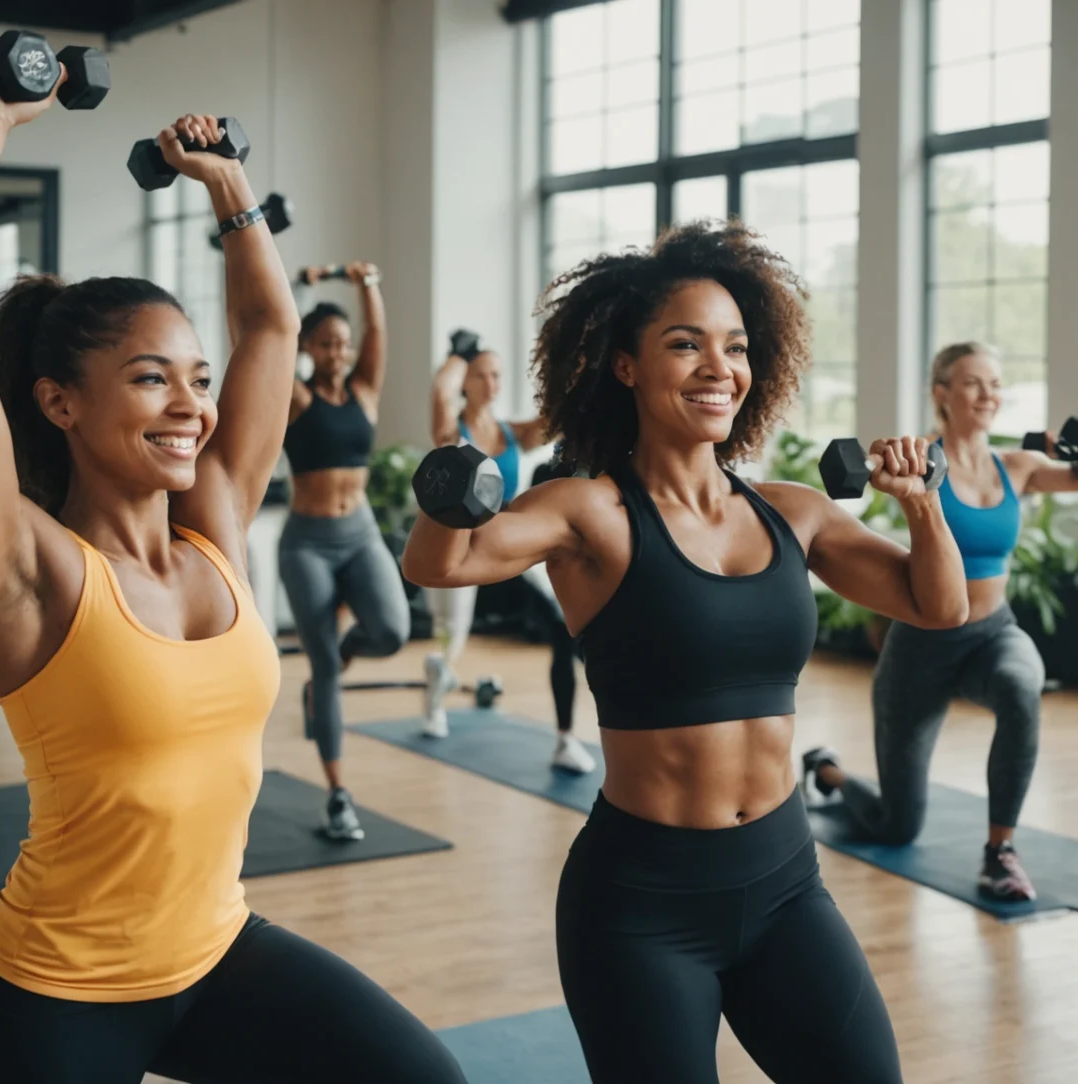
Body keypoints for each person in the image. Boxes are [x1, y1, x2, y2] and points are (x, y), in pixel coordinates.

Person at [0, 52, 465, 1083]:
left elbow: (271, 327)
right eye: (150, 378)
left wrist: (227, 185)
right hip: (49, 995)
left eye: (197, 380)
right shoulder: (30, 571)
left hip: (216, 956)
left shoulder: (214, 525)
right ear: (58, 402)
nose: (190, 404)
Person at [401, 222, 969, 1083]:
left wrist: (924, 505)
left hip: (784, 885)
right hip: (641, 907)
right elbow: (438, 564)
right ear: (625, 365)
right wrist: (454, 481)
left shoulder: (794, 512)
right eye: (685, 344)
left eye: (735, 348)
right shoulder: (590, 512)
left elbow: (938, 603)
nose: (718, 368)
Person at [800, 341, 1078, 902]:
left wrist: (1077, 443)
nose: (989, 393)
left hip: (994, 632)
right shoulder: (922, 462)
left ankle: (1000, 854)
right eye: (972, 383)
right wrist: (890, 464)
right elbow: (860, 486)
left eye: (995, 383)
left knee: (1021, 687)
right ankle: (827, 773)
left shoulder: (1019, 464)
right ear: (941, 393)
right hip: (921, 642)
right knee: (897, 826)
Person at [420, 338, 596, 774]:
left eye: (497, 374)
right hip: (461, 549)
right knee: (452, 639)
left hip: (510, 549)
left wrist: (581, 364)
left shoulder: (512, 434)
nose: (492, 383)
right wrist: (457, 358)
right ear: (466, 382)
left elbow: (559, 416)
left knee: (559, 625)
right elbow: (440, 394)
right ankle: (434, 692)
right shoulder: (451, 430)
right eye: (482, 375)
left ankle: (564, 738)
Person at [281, 263, 408, 841]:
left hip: (359, 536)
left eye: (342, 342)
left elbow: (378, 336)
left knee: (392, 631)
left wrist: (366, 284)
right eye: (326, 342)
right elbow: (274, 329)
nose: (338, 350)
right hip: (308, 544)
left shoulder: (365, 391)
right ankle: (338, 793)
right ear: (308, 346)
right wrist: (303, 286)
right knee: (325, 665)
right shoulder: (296, 396)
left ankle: (338, 658)